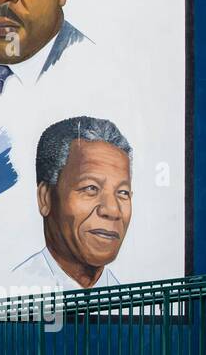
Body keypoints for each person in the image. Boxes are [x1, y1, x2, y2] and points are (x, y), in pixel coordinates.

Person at [11, 116, 132, 290]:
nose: (112, 210)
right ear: (45, 198)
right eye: (91, 188)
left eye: (123, 193)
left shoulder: (133, 306)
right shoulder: (9, 297)